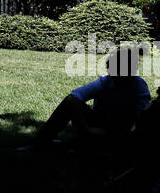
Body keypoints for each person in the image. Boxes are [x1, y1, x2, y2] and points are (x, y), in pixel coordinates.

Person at [22, 45, 151, 151]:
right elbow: (73, 98)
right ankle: (41, 142)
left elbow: (142, 122)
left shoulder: (138, 88)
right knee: (69, 103)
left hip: (120, 132)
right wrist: (86, 129)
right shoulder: (106, 82)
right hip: (99, 124)